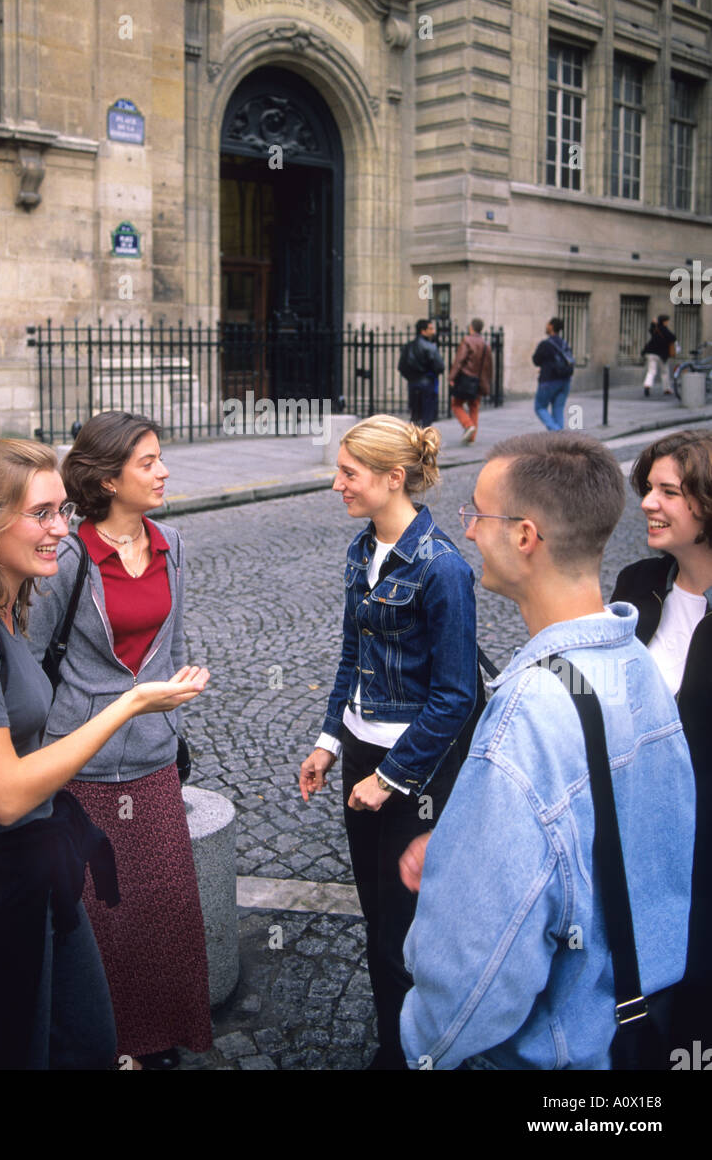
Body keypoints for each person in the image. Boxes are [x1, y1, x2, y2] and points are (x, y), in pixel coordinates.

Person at [0, 438, 208, 1070]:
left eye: (64, 513)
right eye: (43, 514)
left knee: (84, 1043)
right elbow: (3, 794)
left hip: (32, 865)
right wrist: (127, 706)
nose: (61, 530)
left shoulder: (3, 603)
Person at [399, 432, 695, 1069]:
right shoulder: (638, 664)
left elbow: (476, 981)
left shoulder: (526, 714)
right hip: (625, 1032)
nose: (469, 532)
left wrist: (421, 1046)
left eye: (477, 513)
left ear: (525, 535)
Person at [27, 412, 213, 1071]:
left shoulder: (172, 543)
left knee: (161, 909)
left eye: (160, 459)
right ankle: (104, 1044)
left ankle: (158, 1038)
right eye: (147, 463)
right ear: (108, 480)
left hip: (156, 763)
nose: (163, 471)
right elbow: (26, 659)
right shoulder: (68, 556)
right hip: (84, 767)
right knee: (100, 915)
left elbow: (176, 642)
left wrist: (173, 716)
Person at [298, 415, 478, 1071]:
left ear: (392, 478)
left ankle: (412, 1055)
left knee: (406, 932)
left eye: (349, 473)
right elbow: (351, 655)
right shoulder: (361, 549)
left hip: (415, 774)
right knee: (377, 919)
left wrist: (393, 777)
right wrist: (327, 741)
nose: (337, 483)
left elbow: (456, 695)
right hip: (360, 756)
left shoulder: (442, 569)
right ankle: (391, 1047)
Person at [611, 429, 712, 1055]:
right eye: (648, 488)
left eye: (669, 492)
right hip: (634, 834)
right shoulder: (638, 582)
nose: (648, 502)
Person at [448, 318, 492, 445]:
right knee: (474, 407)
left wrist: (452, 377)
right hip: (478, 381)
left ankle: (468, 425)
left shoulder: (467, 340)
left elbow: (459, 361)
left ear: (471, 327)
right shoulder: (486, 344)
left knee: (456, 404)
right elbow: (489, 366)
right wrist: (486, 383)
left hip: (465, 378)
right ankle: (471, 438)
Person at [398, 319, 444, 427]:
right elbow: (440, 366)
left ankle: (415, 439)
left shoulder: (408, 346)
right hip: (428, 384)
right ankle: (425, 439)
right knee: (427, 417)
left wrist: (411, 377)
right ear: (423, 331)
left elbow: (401, 367)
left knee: (415, 415)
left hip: (413, 383)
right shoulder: (430, 347)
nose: (433, 331)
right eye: (430, 329)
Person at [531, 316, 573, 431]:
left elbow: (536, 360)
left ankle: (557, 432)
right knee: (558, 408)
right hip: (565, 381)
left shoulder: (545, 344)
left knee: (539, 407)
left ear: (551, 326)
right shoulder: (564, 344)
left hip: (549, 381)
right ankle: (559, 440)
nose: (546, 326)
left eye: (548, 324)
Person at [642, 314, 677, 397]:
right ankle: (666, 389)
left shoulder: (655, 328)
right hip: (661, 355)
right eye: (667, 321)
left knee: (651, 371)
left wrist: (653, 323)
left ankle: (647, 385)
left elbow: (651, 330)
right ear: (664, 321)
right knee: (664, 372)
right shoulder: (664, 329)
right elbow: (673, 338)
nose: (667, 322)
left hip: (650, 353)